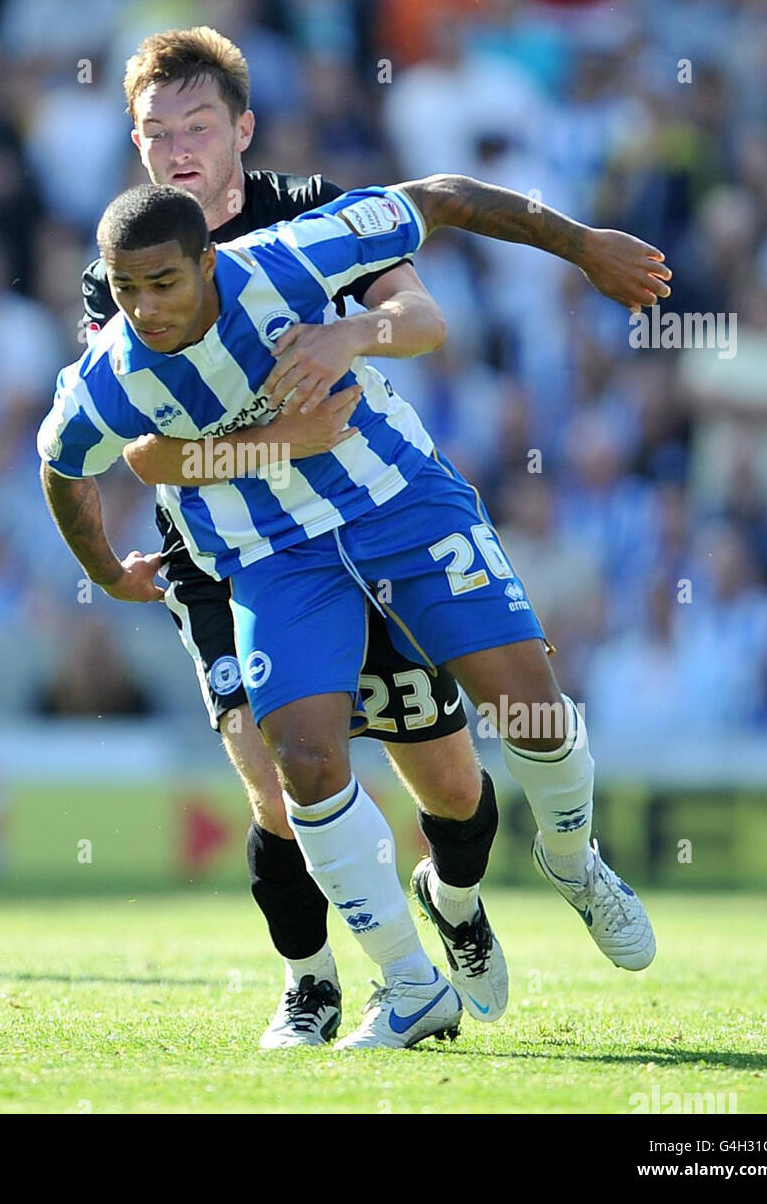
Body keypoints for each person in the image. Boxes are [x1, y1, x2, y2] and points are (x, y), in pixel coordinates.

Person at [40, 169, 668, 1050]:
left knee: (527, 709)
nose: (145, 307)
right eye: (127, 289)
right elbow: (67, 470)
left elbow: (445, 197)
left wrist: (584, 246)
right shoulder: (110, 374)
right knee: (298, 760)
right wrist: (107, 572)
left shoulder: (289, 255)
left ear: (209, 262)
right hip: (273, 555)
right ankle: (408, 986)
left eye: (164, 283)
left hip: (396, 500)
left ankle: (570, 857)